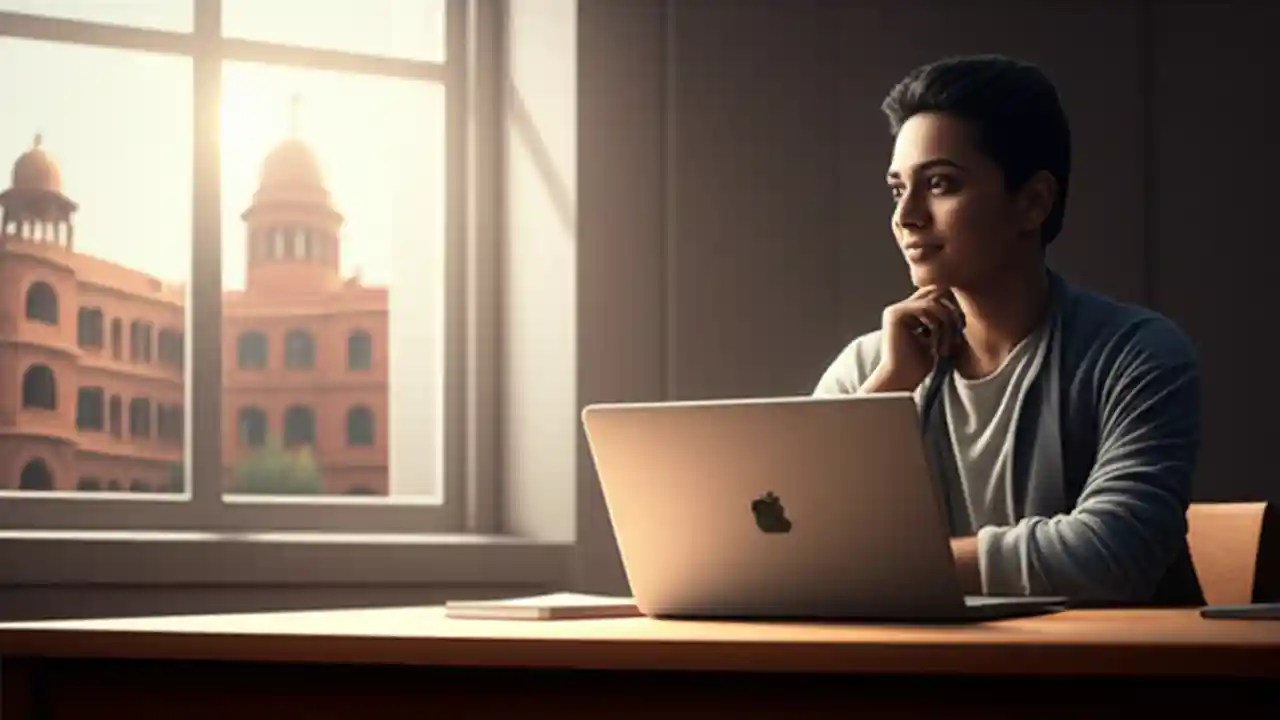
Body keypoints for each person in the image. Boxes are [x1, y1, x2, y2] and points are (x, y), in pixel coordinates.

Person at [813, 54, 1203, 605]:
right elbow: (794, 541)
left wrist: (895, 566)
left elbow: (1112, 555)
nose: (907, 216)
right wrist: (890, 390)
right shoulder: (870, 366)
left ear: (1033, 202)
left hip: (1106, 681)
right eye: (899, 189)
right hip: (921, 677)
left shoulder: (1135, 356)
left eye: (941, 184)